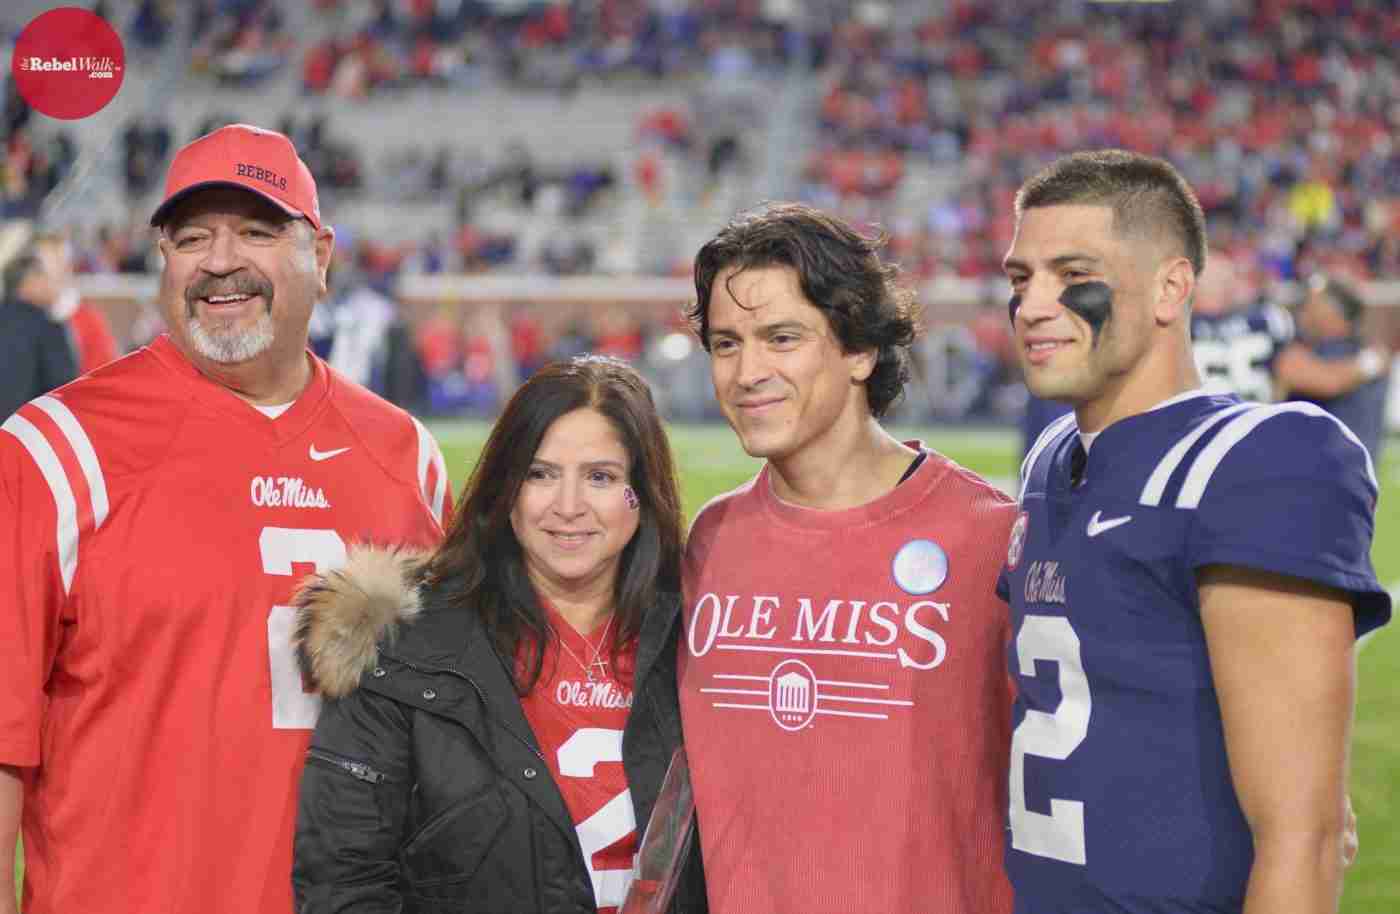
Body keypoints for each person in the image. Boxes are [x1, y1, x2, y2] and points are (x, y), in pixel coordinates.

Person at [0, 124, 452, 914]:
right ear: (163, 259)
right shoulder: (52, 452)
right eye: (191, 237)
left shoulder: (406, 459)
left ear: (321, 255)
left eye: (256, 231)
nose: (219, 260)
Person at [999, 149, 1389, 914]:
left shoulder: (1258, 459)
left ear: (1171, 288)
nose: (1033, 305)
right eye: (1020, 278)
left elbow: (1301, 840)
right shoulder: (1052, 456)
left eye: (1073, 273)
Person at [679, 202, 1016, 914]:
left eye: (782, 338)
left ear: (860, 349)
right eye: (726, 343)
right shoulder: (711, 540)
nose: (747, 372)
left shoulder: (989, 537)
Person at [292, 355, 706, 913]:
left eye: (601, 477)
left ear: (642, 494)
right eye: (540, 474)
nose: (568, 507)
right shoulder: (403, 649)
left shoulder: (704, 641)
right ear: (506, 490)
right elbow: (343, 883)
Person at [1189, 248, 1386, 403]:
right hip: (1252, 428)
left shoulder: (1179, 326)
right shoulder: (1266, 320)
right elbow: (1324, 379)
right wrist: (1372, 361)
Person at [1289, 272, 1391, 464]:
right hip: (1308, 473)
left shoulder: (1370, 353)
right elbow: (1329, 381)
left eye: (1311, 304)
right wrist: (1366, 366)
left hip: (1351, 474)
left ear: (1331, 311)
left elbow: (1329, 382)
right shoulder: (1371, 358)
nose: (1303, 311)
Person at [0, 246, 78, 420]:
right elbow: (64, 388)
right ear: (29, 283)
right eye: (47, 278)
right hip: (28, 430)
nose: (53, 285)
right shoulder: (48, 326)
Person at [32, 231, 122, 374]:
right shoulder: (24, 316)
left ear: (67, 269)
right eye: (35, 270)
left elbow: (104, 375)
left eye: (43, 270)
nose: (37, 278)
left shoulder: (88, 321)